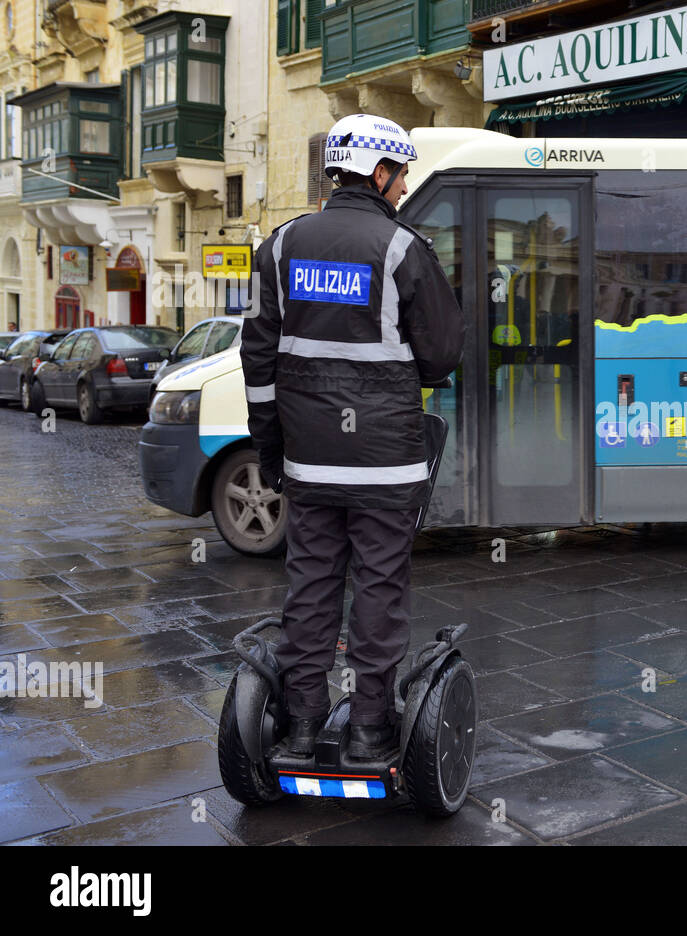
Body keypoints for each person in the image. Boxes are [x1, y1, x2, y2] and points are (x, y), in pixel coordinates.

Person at [241, 114, 465, 759]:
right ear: (380, 171)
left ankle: (304, 726)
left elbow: (258, 360)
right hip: (387, 462)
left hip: (310, 460)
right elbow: (443, 354)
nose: (402, 190)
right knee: (379, 587)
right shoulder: (403, 249)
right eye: (400, 177)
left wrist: (271, 446)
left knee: (310, 586)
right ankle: (370, 729)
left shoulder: (280, 247)